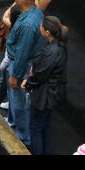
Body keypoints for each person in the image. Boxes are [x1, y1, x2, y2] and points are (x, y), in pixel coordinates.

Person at [5, 0, 43, 147]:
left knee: (19, 100)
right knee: (17, 98)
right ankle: (14, 124)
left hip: (20, 65)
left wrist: (15, 76)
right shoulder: (36, 12)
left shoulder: (27, 25)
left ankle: (21, 135)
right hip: (26, 62)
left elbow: (22, 52)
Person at [24, 15, 67, 155]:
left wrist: (28, 84)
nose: (40, 28)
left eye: (42, 26)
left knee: (35, 129)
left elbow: (41, 74)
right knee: (44, 128)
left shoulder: (51, 52)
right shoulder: (60, 46)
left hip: (44, 96)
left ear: (47, 32)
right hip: (52, 95)